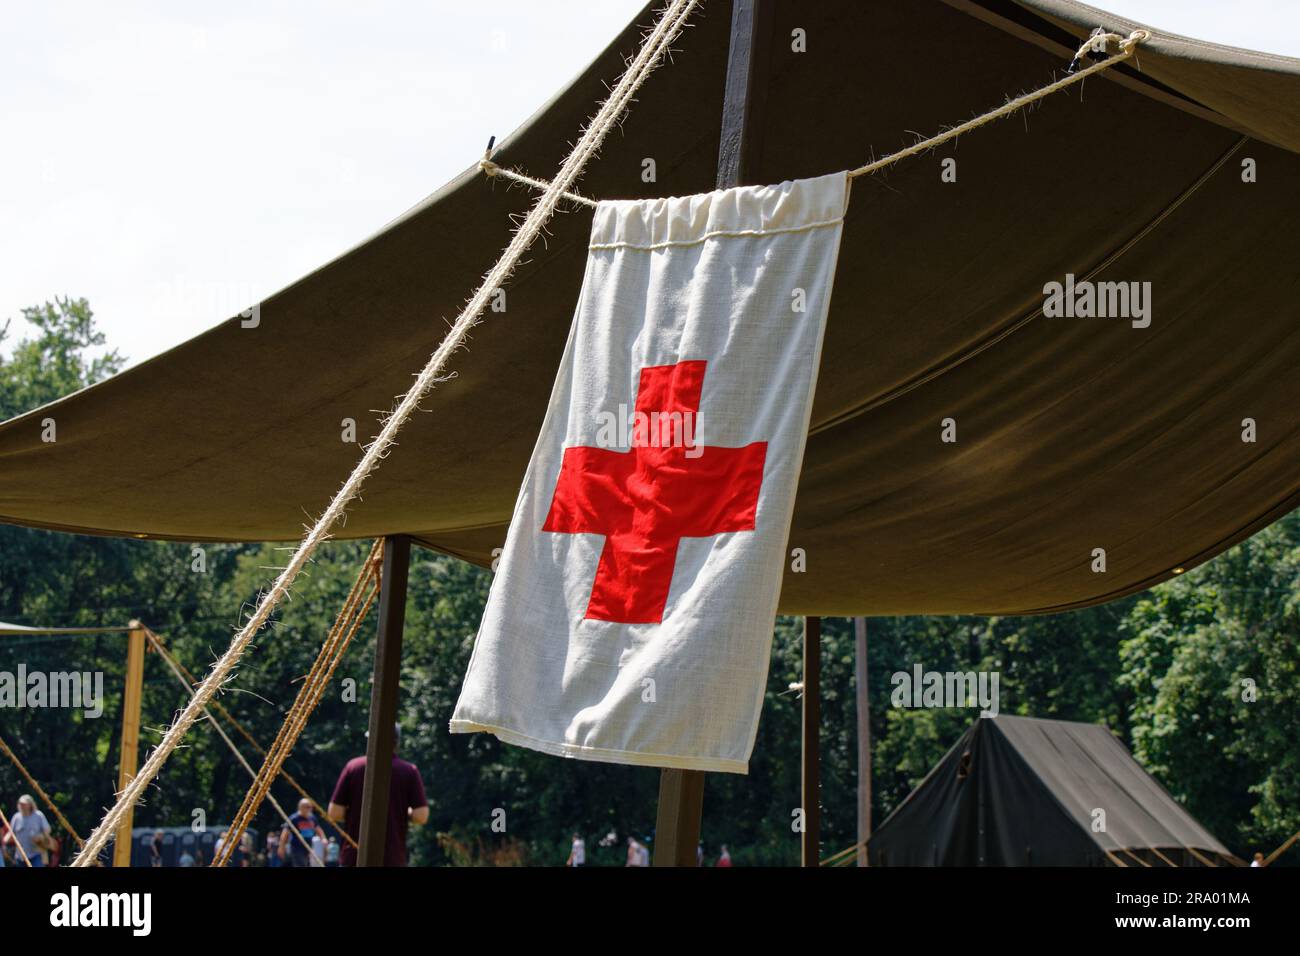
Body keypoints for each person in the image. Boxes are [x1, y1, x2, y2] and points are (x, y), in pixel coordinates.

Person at [327, 725, 428, 867]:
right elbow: (421, 816)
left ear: (370, 739)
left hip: (354, 857)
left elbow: (334, 813)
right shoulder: (409, 770)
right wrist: (399, 812)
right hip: (392, 858)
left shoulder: (353, 767)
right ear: (397, 742)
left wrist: (358, 813)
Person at [5, 795, 52, 866]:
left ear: (30, 805)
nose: (21, 805)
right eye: (20, 803)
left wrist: (40, 836)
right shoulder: (16, 817)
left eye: (23, 804)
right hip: (20, 855)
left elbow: (47, 829)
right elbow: (11, 832)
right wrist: (5, 840)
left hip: (36, 854)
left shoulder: (38, 815)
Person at [279, 799, 327, 867]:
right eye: (307, 807)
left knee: (307, 864)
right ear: (300, 807)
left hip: (308, 847)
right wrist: (281, 847)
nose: (310, 809)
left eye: (310, 807)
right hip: (297, 848)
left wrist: (323, 838)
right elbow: (285, 833)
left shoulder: (312, 818)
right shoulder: (294, 818)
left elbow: (318, 829)